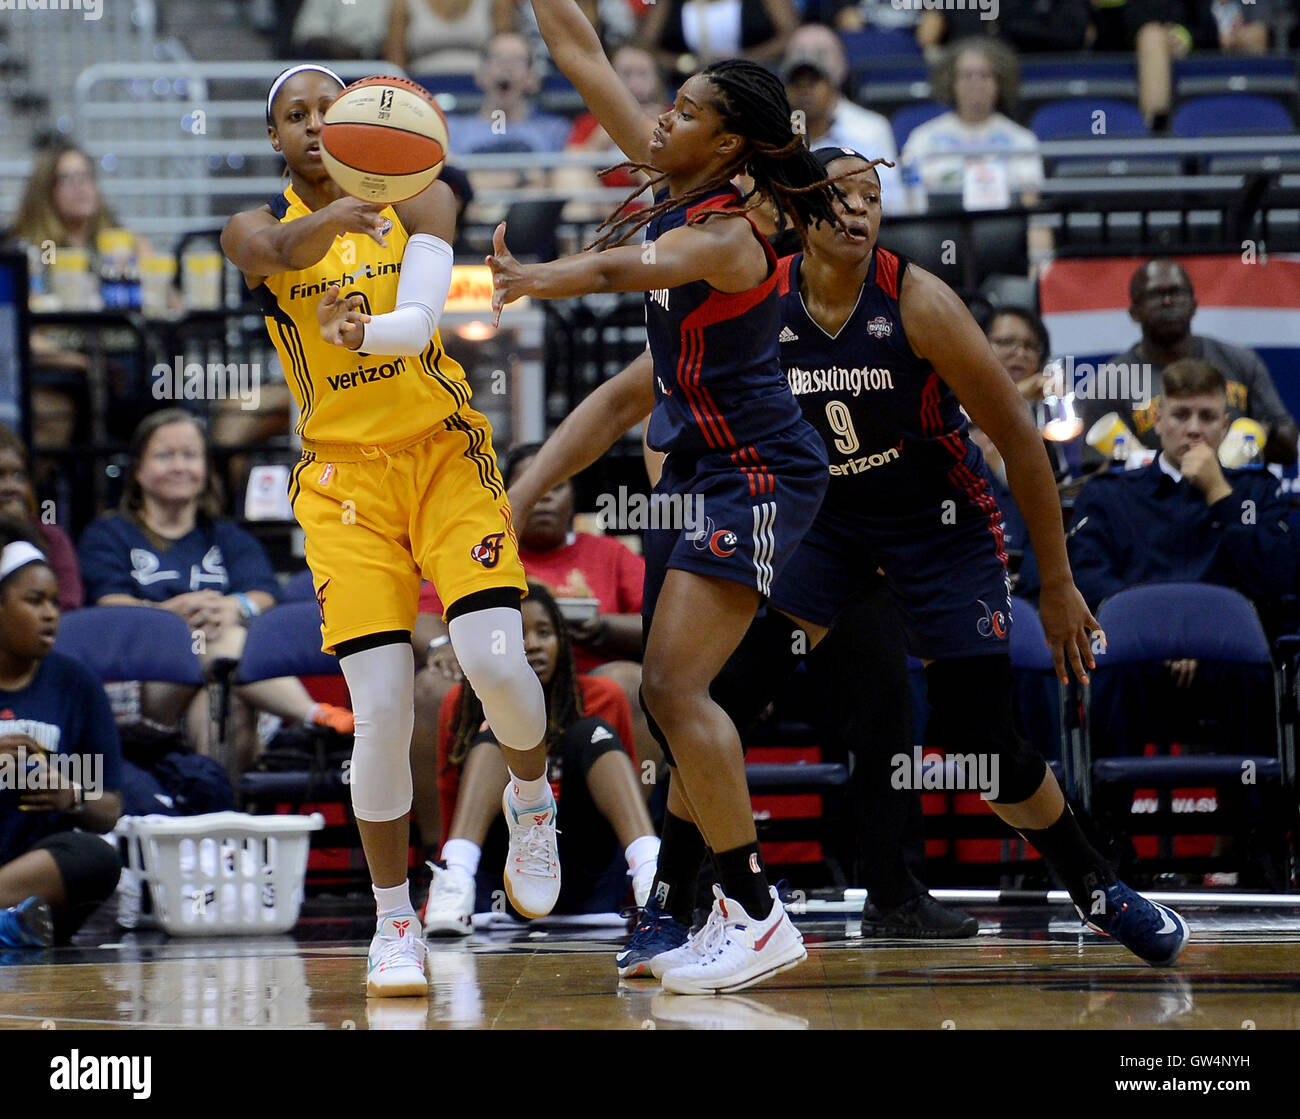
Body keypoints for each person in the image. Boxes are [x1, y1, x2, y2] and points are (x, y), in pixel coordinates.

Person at [511, 149, 1192, 979]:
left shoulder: (919, 300)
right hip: (823, 525)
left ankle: (1097, 888)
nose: (858, 211)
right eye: (839, 197)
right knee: (718, 695)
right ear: (800, 212)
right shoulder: (756, 295)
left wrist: (1057, 583)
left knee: (980, 732)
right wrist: (528, 485)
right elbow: (627, 397)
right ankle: (670, 903)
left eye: (871, 197)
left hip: (935, 524)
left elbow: (1018, 435)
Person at [493, 0, 850, 994]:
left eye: (684, 108)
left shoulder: (728, 233)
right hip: (714, 474)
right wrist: (523, 488)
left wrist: (526, 278)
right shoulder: (671, 183)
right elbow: (578, 49)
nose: (660, 115)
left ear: (727, 140)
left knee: (672, 690)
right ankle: (727, 906)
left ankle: (752, 910)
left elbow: (615, 266)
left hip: (764, 475)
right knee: (673, 693)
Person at [221, 64, 550, 999]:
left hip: (443, 454)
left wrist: (366, 330)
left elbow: (421, 317)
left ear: (370, 116)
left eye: (331, 107)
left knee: (492, 659)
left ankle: (532, 798)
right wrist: (331, 223)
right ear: (279, 139)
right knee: (382, 706)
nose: (317, 123)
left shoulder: (428, 193)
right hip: (343, 484)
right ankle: (393, 917)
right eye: (297, 115)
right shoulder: (253, 226)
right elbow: (274, 250)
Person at [412, 440, 649, 856]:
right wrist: (440, 643)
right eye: (530, 487)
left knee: (634, 682)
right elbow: (420, 612)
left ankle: (634, 847)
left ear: (573, 495)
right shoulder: (483, 552)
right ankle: (438, 856)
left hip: (584, 693)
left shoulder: (609, 553)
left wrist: (602, 627)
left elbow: (658, 622)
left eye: (555, 486)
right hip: (495, 692)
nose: (543, 498)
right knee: (430, 687)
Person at [77, 409, 350, 770]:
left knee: (223, 698)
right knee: (220, 643)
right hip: (145, 679)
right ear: (138, 470)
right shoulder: (109, 534)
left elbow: (264, 592)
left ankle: (215, 811)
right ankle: (313, 714)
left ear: (205, 469)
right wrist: (168, 618)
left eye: (190, 455)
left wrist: (232, 608)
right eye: (164, 455)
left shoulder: (226, 535)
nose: (179, 466)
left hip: (220, 675)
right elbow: (108, 601)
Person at [422, 581, 658, 932]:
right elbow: (450, 797)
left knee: (592, 731)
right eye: (517, 635)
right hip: (498, 867)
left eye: (544, 632)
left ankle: (649, 873)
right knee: (500, 731)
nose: (532, 644)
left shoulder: (602, 695)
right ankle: (455, 879)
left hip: (581, 860)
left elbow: (629, 795)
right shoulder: (462, 703)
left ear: (563, 640)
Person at [1069, 358, 1295, 618]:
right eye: (1181, 415)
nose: (1194, 429)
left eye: (1208, 417)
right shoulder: (1108, 494)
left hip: (1227, 646)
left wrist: (1220, 493)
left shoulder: (1256, 491)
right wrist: (1164, 627)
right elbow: (1087, 580)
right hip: (1138, 643)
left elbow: (1278, 579)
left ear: (1224, 427)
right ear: (1158, 420)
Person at [0, 517, 123, 947]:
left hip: (36, 869)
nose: (51, 613)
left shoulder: (76, 684)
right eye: (34, 601)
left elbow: (109, 808)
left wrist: (72, 795)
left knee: (96, 858)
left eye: (54, 601)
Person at [1079, 258, 1299, 468]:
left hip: (1234, 498)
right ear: (1134, 312)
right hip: (1150, 502)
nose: (1168, 301)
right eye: (1155, 295)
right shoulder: (1111, 382)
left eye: (1176, 292)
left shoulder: (1240, 362)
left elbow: (1288, 448)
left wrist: (1257, 433)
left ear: (1194, 305)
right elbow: (1098, 476)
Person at [899, 38, 1043, 213]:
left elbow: (1033, 211)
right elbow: (912, 204)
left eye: (985, 76)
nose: (976, 84)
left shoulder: (1022, 140)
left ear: (999, 83)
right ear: (952, 83)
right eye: (966, 76)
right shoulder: (923, 137)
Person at [778, 23, 902, 208]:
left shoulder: (863, 138)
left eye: (813, 82)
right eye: (797, 83)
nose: (805, 91)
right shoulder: (772, 141)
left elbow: (893, 200)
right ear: (785, 89)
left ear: (831, 86)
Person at [443, 32, 572, 156]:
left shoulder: (555, 131)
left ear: (532, 78)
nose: (506, 67)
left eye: (517, 60)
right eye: (496, 58)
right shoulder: (453, 131)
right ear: (480, 75)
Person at [0, 423, 82, 611]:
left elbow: (69, 605)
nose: (12, 487)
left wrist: (19, 532)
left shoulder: (50, 537)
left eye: (19, 476)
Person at [636, 0, 800, 76]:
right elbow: (646, 45)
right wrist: (683, 64)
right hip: (685, 81)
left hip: (756, 75)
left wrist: (742, 60)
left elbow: (789, 35)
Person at [386, 0, 517, 75]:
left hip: (484, 90)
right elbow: (395, 65)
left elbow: (508, 51)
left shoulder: (498, 2)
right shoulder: (402, 3)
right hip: (422, 90)